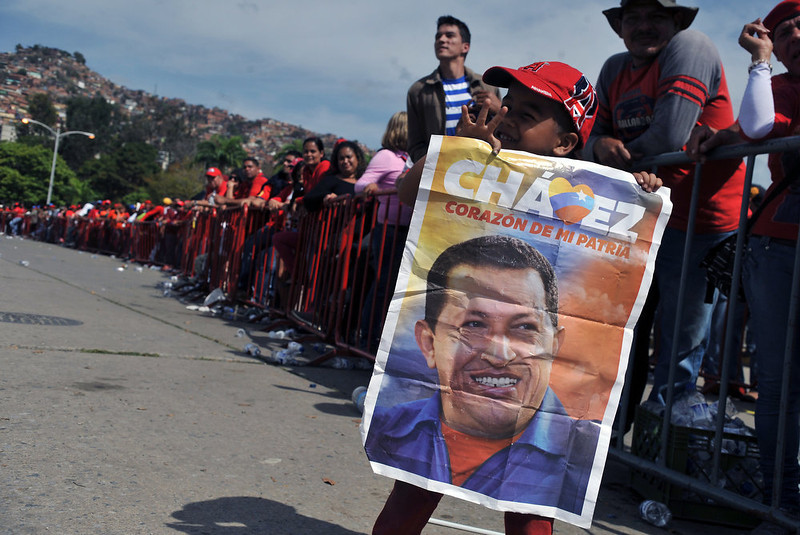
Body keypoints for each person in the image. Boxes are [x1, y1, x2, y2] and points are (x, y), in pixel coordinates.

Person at [380, 60, 660, 535]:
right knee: (415, 486)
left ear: (565, 143)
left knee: (532, 507)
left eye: (529, 113)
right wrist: (453, 149)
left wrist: (642, 195)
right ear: (430, 339)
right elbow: (410, 193)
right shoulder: (477, 162)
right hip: (451, 401)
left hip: (534, 410)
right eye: (509, 105)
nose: (508, 117)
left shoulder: (590, 191)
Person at [586, 0, 747, 407]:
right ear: (619, 26)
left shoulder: (691, 46)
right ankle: (616, 443)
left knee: (680, 343)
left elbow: (669, 135)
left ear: (675, 21)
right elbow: (593, 138)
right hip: (644, 217)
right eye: (633, 18)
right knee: (621, 333)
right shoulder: (613, 69)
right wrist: (600, 144)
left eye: (656, 16)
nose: (644, 26)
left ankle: (660, 448)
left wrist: (612, 155)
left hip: (700, 224)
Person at [689, 1, 800, 527]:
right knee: (778, 381)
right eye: (782, 32)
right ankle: (780, 502)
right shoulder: (776, 86)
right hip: (780, 249)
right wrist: (759, 62)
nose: (794, 34)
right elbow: (755, 125)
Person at [406, 15, 501, 163]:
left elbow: (502, 133)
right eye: (438, 36)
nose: (441, 40)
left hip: (479, 167)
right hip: (437, 172)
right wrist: (434, 164)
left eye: (449, 35)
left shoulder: (487, 86)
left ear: (465, 46)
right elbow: (415, 144)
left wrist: (499, 108)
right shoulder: (419, 91)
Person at [355, 111, 412, 351]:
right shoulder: (386, 157)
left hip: (407, 231)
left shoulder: (410, 158)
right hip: (389, 230)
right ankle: (367, 338)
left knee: (395, 289)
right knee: (383, 286)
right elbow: (360, 184)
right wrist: (369, 186)